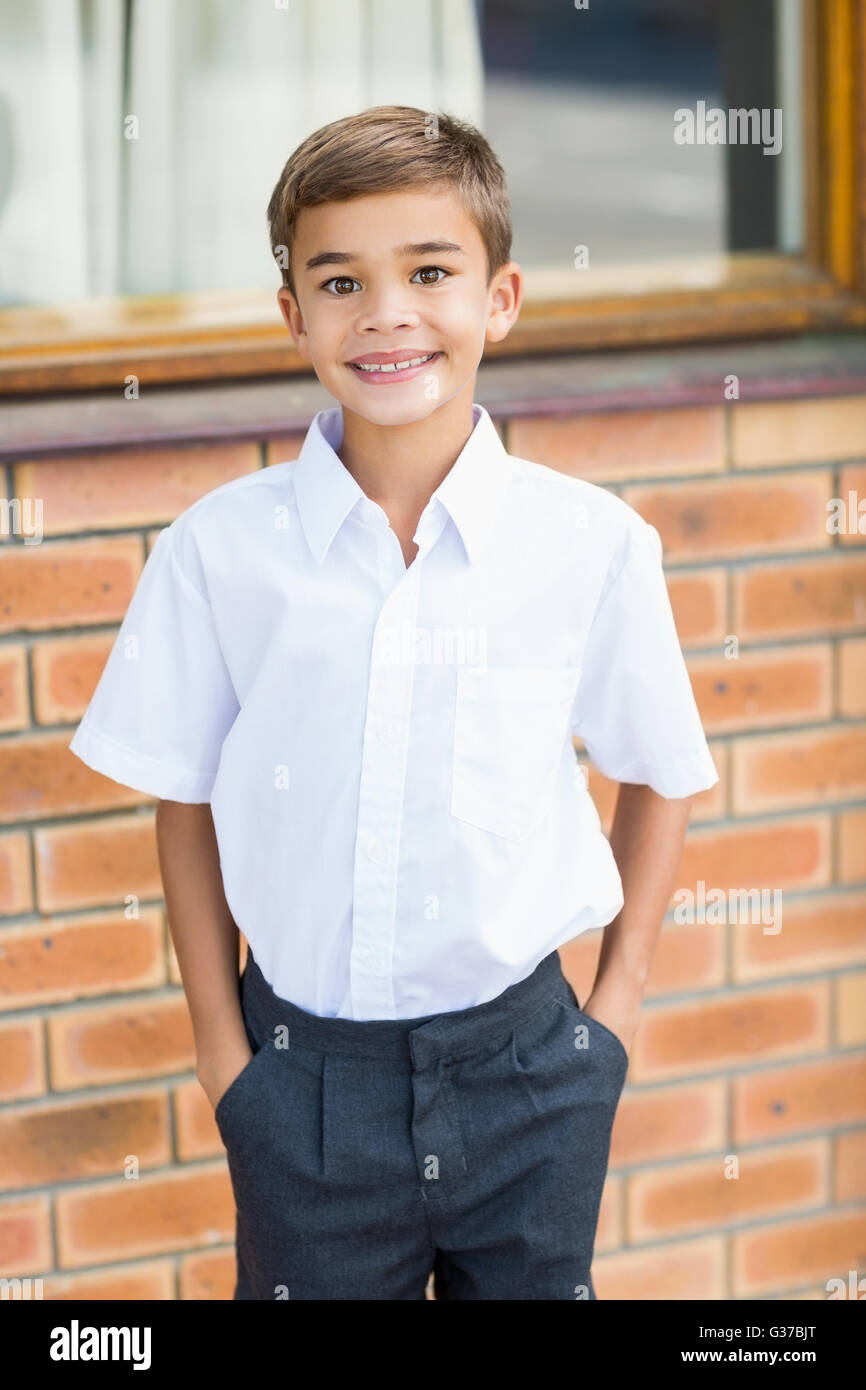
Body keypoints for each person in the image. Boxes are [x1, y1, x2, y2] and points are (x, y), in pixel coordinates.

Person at [68, 105, 719, 1301]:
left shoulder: (588, 546)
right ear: (292, 316)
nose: (386, 314)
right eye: (339, 280)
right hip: (301, 1086)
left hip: (532, 1073)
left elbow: (661, 770)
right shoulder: (220, 552)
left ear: (500, 298)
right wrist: (228, 1060)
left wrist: (609, 1017)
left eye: (429, 271)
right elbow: (186, 805)